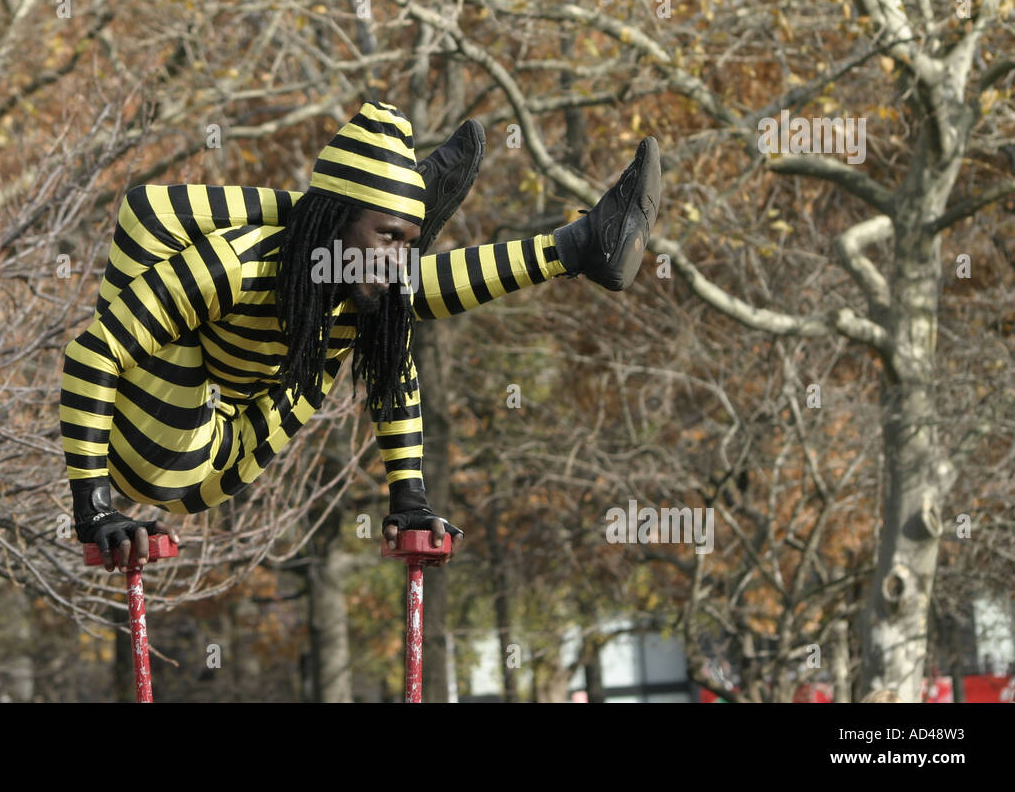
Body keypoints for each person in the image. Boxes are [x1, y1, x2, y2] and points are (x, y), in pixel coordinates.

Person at [60, 100, 661, 571]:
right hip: (151, 444)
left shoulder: (353, 284)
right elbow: (92, 356)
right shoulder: (233, 263)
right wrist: (93, 512)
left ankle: (580, 244)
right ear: (334, 220)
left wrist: (411, 500)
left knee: (383, 303)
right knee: (151, 218)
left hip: (225, 456)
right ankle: (576, 244)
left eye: (408, 240)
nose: (400, 257)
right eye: (389, 234)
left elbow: (393, 385)